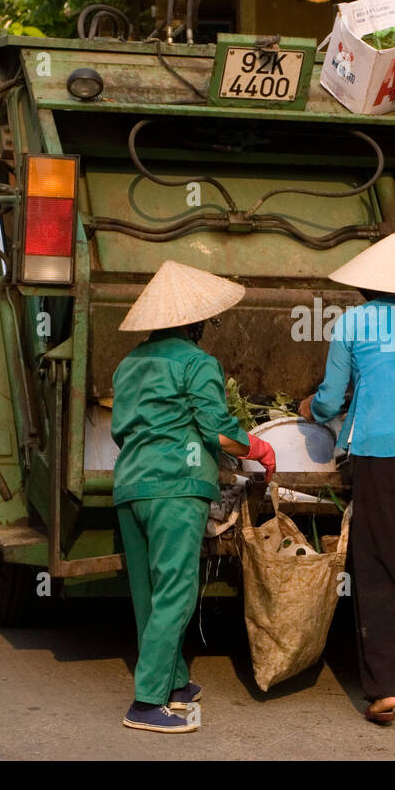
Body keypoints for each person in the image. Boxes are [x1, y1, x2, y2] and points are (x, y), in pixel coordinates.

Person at [112, 260, 276, 734]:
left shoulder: (128, 365)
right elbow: (219, 431)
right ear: (192, 322)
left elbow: (126, 431)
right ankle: (145, 704)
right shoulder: (198, 363)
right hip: (175, 489)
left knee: (149, 593)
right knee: (178, 591)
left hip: (131, 487)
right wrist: (259, 448)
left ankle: (174, 683)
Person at [298, 233, 395, 725]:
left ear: (364, 284)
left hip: (380, 453)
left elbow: (330, 398)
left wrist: (309, 407)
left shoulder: (352, 321)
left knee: (380, 565)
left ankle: (383, 688)